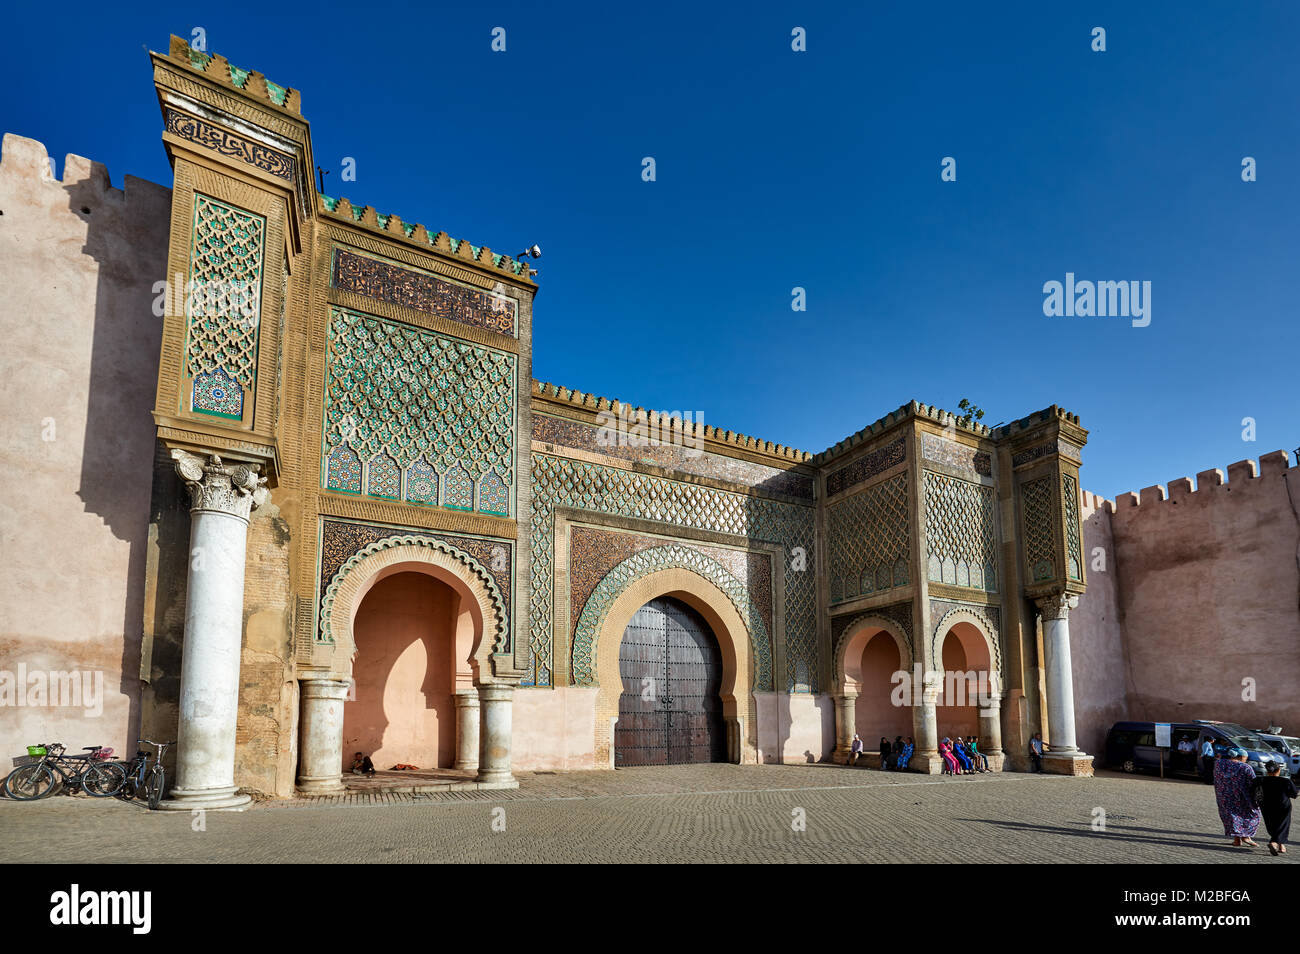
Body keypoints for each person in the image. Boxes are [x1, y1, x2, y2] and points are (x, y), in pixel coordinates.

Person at [1214, 748, 1262, 848]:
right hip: (1242, 797)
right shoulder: (1245, 767)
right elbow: (1253, 782)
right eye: (1245, 758)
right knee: (1252, 815)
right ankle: (1246, 837)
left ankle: (1237, 840)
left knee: (1233, 817)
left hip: (1224, 797)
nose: (1246, 760)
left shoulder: (1219, 764)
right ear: (1240, 757)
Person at [1252, 761, 1298, 855]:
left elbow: (1254, 793)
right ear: (1279, 770)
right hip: (1282, 806)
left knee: (1272, 825)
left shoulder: (1259, 780)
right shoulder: (1285, 781)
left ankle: (1281, 845)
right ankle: (1274, 842)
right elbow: (1294, 794)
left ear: (1267, 770)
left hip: (1265, 805)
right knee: (1283, 825)